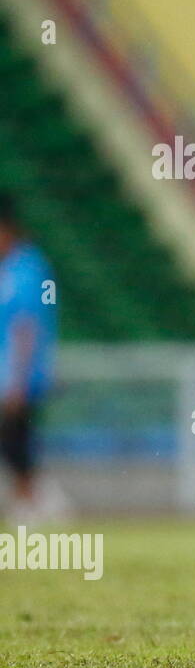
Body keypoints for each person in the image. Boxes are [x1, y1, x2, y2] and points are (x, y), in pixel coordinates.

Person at [0, 193, 61, 524]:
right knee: (15, 441)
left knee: (15, 441)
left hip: (19, 378)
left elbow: (26, 327)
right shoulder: (14, 268)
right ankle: (31, 500)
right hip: (12, 376)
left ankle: (35, 502)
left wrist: (17, 381)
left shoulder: (25, 269)